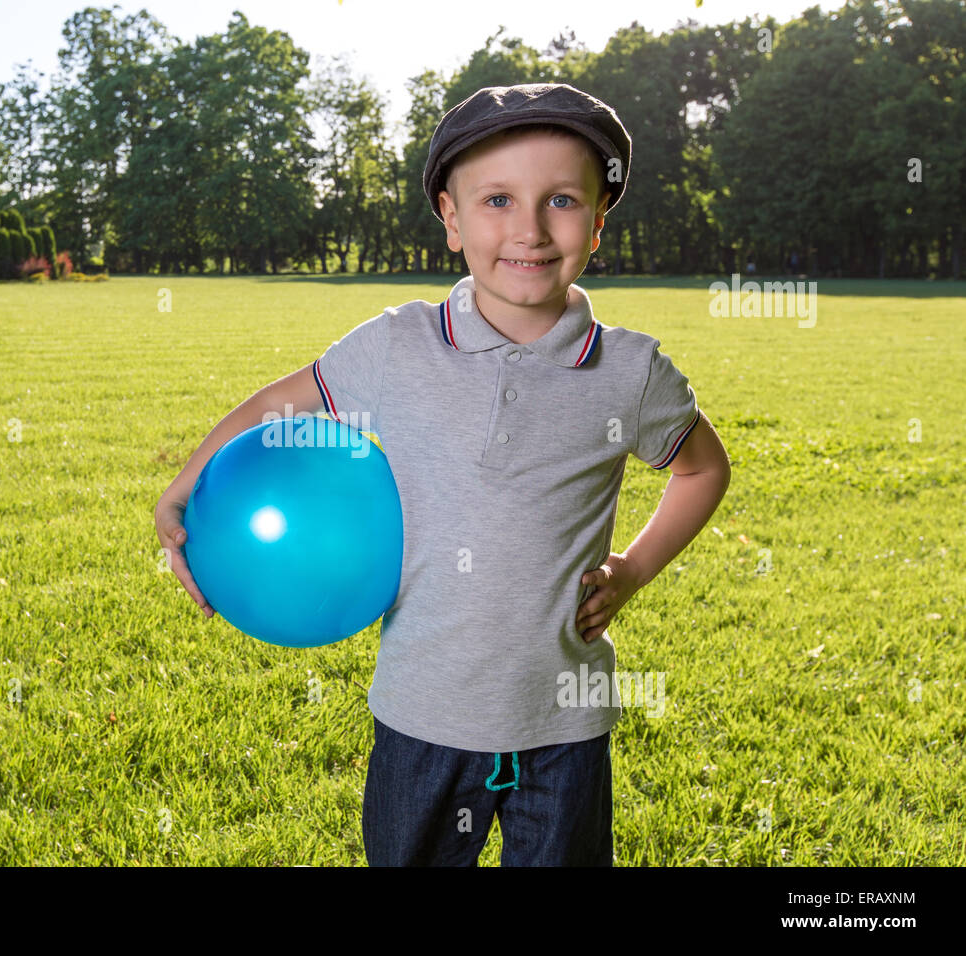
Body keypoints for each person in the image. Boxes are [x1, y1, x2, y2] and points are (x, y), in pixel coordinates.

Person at [154, 83, 732, 866]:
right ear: (452, 220)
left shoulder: (629, 372)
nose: (528, 229)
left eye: (560, 200)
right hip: (421, 717)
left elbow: (702, 469)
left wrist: (633, 569)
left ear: (599, 221)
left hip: (565, 723)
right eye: (497, 199)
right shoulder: (398, 348)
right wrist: (186, 485)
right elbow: (279, 406)